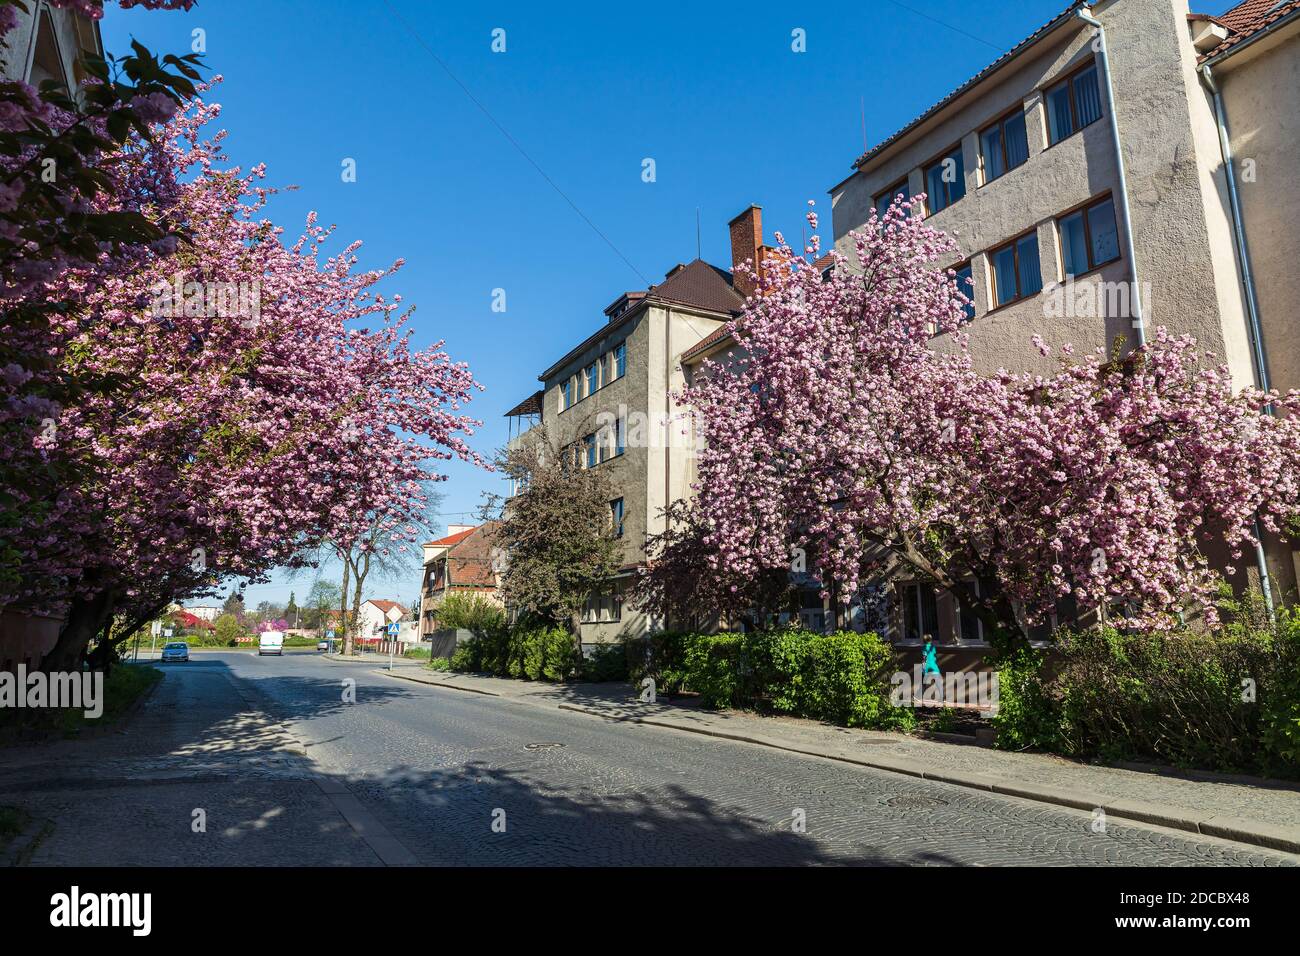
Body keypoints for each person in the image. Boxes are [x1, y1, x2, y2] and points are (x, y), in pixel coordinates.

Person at [921, 633, 943, 705]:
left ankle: (922, 697)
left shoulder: (924, 647)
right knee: (938, 683)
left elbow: (924, 657)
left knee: (923, 683)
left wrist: (923, 667)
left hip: (927, 667)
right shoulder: (933, 647)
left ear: (924, 640)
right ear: (931, 640)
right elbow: (934, 655)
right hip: (934, 667)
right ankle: (941, 699)